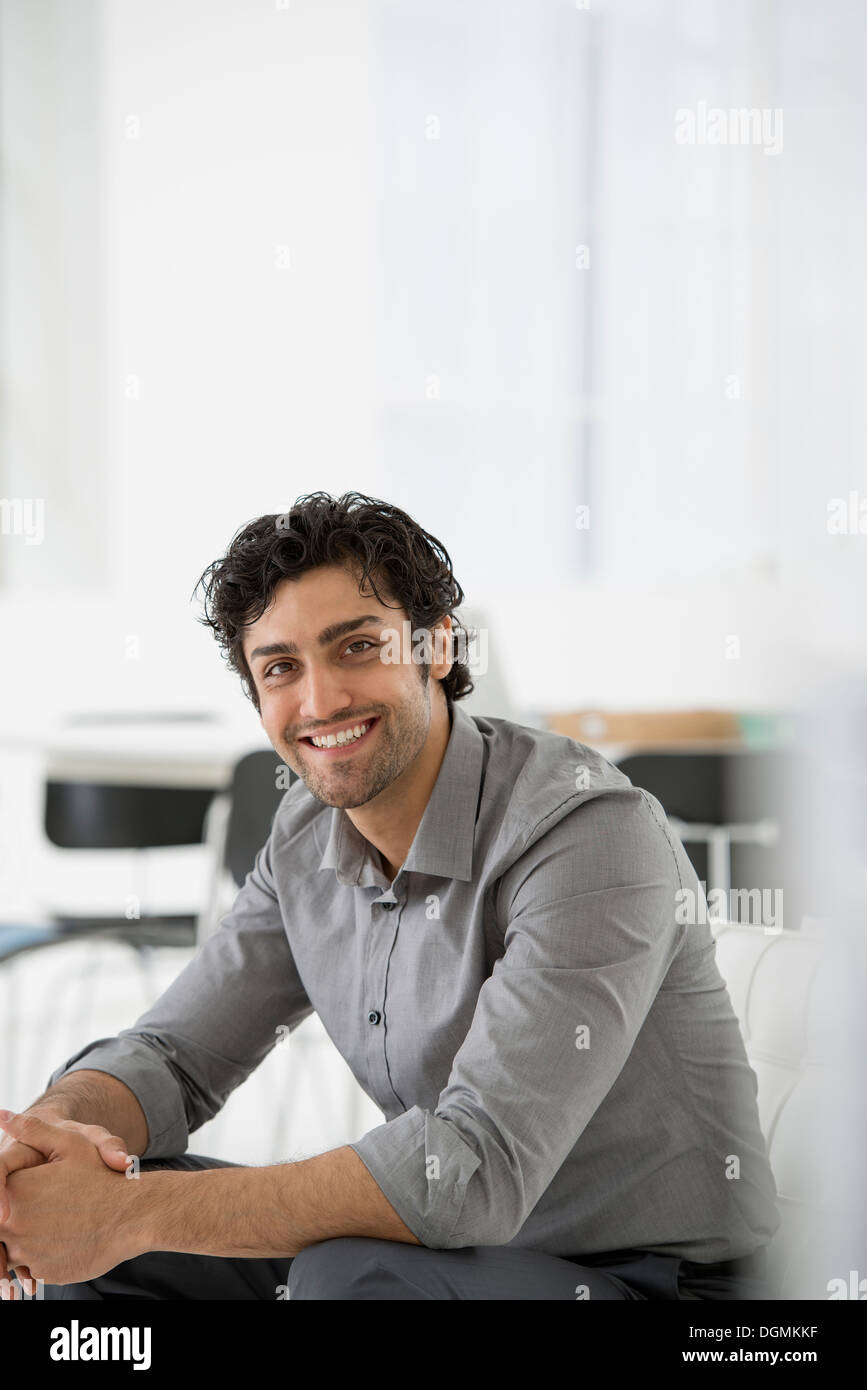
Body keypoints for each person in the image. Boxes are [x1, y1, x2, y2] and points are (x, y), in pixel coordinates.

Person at [0, 491, 780, 1301]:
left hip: (652, 1284)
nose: (321, 700)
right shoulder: (304, 836)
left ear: (436, 646)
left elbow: (473, 1166)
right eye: (280, 668)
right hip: (446, 1257)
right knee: (106, 1250)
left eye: (357, 647)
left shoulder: (586, 833)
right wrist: (43, 1151)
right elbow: (174, 1058)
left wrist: (128, 1212)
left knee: (338, 1277)